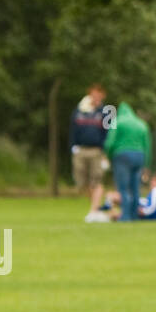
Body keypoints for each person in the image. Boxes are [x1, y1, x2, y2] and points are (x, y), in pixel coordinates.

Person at [104, 103, 152, 222]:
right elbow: (147, 146)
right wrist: (147, 163)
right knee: (136, 187)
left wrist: (108, 156)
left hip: (122, 156)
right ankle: (135, 215)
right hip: (139, 156)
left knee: (123, 187)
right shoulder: (141, 124)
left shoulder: (117, 121)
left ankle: (125, 216)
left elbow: (110, 143)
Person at [71, 84, 110, 222]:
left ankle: (94, 210)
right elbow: (73, 129)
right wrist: (73, 146)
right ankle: (96, 209)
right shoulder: (80, 109)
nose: (95, 97)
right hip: (81, 149)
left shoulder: (107, 110)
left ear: (102, 95)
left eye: (98, 94)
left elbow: (111, 133)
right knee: (82, 183)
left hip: (97, 150)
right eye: (93, 94)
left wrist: (106, 152)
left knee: (97, 180)